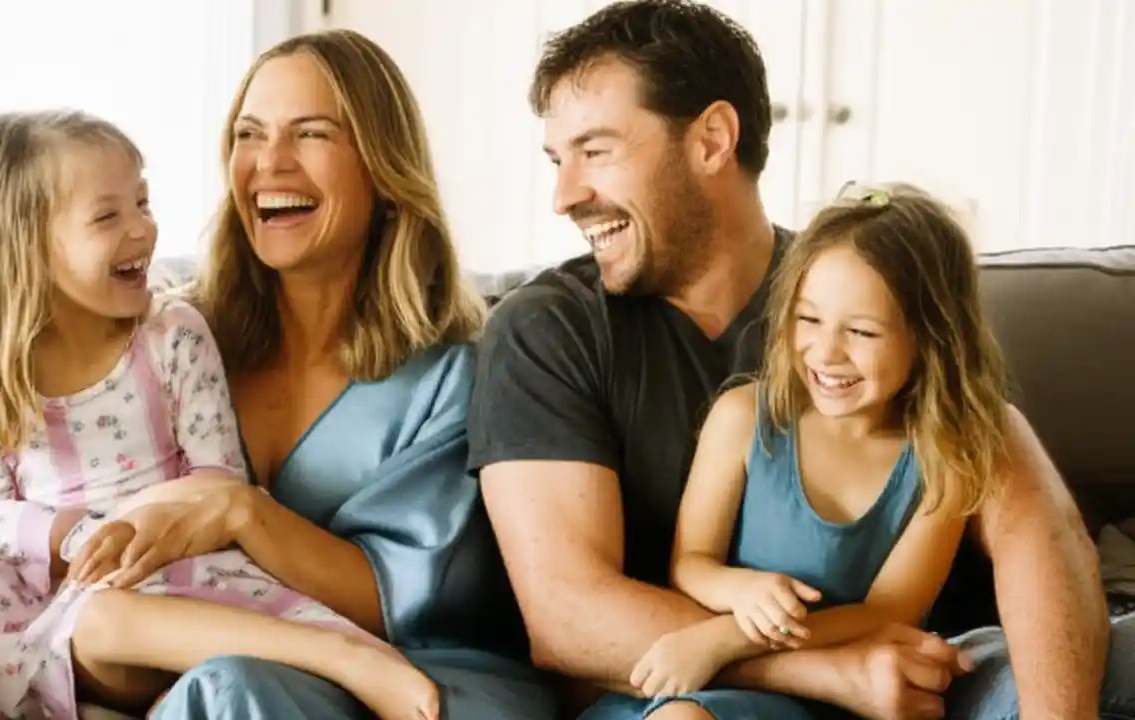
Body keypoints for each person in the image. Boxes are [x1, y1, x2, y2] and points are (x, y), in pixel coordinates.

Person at [470, 1, 1130, 718]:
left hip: (935, 673)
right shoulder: (549, 329)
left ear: (713, 139)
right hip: (715, 692)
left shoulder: (864, 286)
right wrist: (830, 673)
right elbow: (569, 618)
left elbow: (1037, 525)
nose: (565, 195)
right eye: (557, 159)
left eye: (595, 152)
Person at [67, 30, 551, 719]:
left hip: (422, 676)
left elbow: (398, 605)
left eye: (311, 134)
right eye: (248, 135)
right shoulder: (174, 347)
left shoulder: (452, 378)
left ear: (383, 171)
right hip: (224, 665)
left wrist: (240, 512)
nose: (269, 164)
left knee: (227, 687)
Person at [0, 110, 440, 720]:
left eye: (142, 203)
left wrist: (146, 523)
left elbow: (219, 476)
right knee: (101, 620)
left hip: (194, 574)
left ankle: (338, 658)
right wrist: (70, 534)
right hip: (77, 604)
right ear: (25, 246)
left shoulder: (171, 336)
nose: (142, 230)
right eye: (107, 216)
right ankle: (330, 658)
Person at [604, 184, 1010, 718]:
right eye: (808, 320)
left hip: (844, 692)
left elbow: (889, 611)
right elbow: (690, 565)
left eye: (861, 331)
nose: (825, 352)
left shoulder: (946, 459)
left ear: (931, 339)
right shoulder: (744, 418)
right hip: (718, 687)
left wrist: (729, 638)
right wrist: (738, 590)